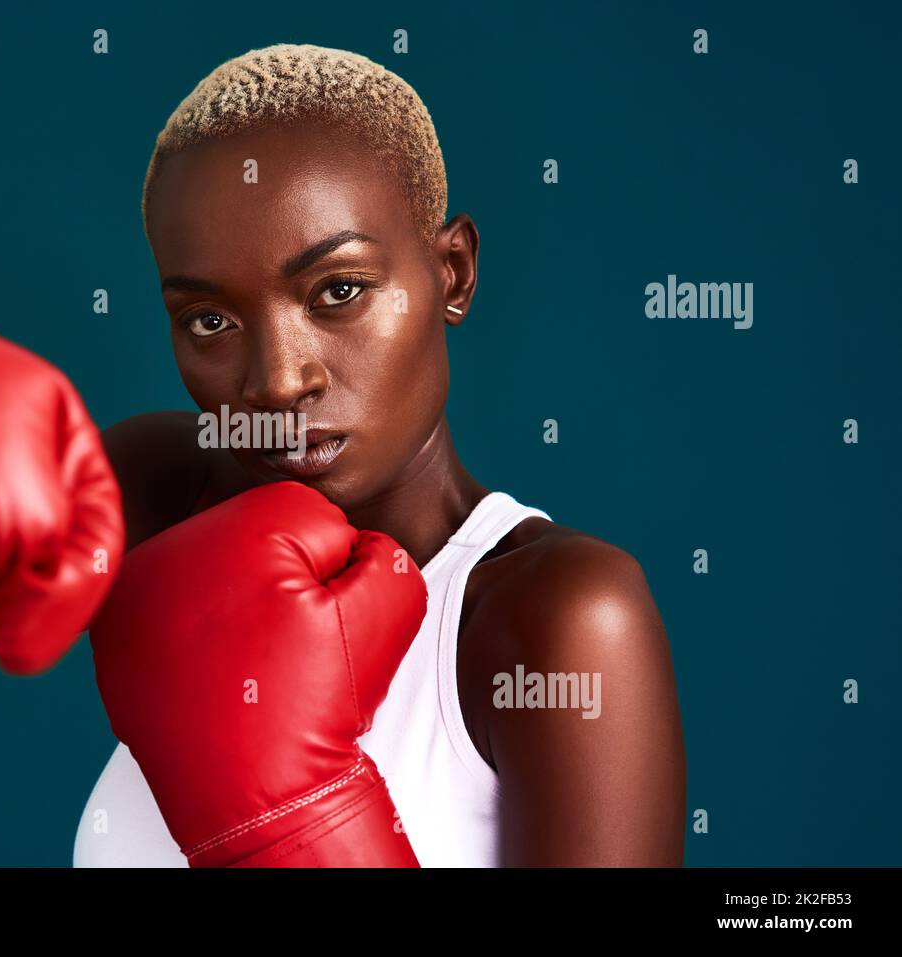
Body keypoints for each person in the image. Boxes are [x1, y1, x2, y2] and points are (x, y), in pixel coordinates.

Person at [73, 43, 686, 867]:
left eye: (338, 290)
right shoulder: (159, 493)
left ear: (453, 274)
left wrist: (298, 826)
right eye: (210, 321)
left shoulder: (557, 618)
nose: (278, 381)